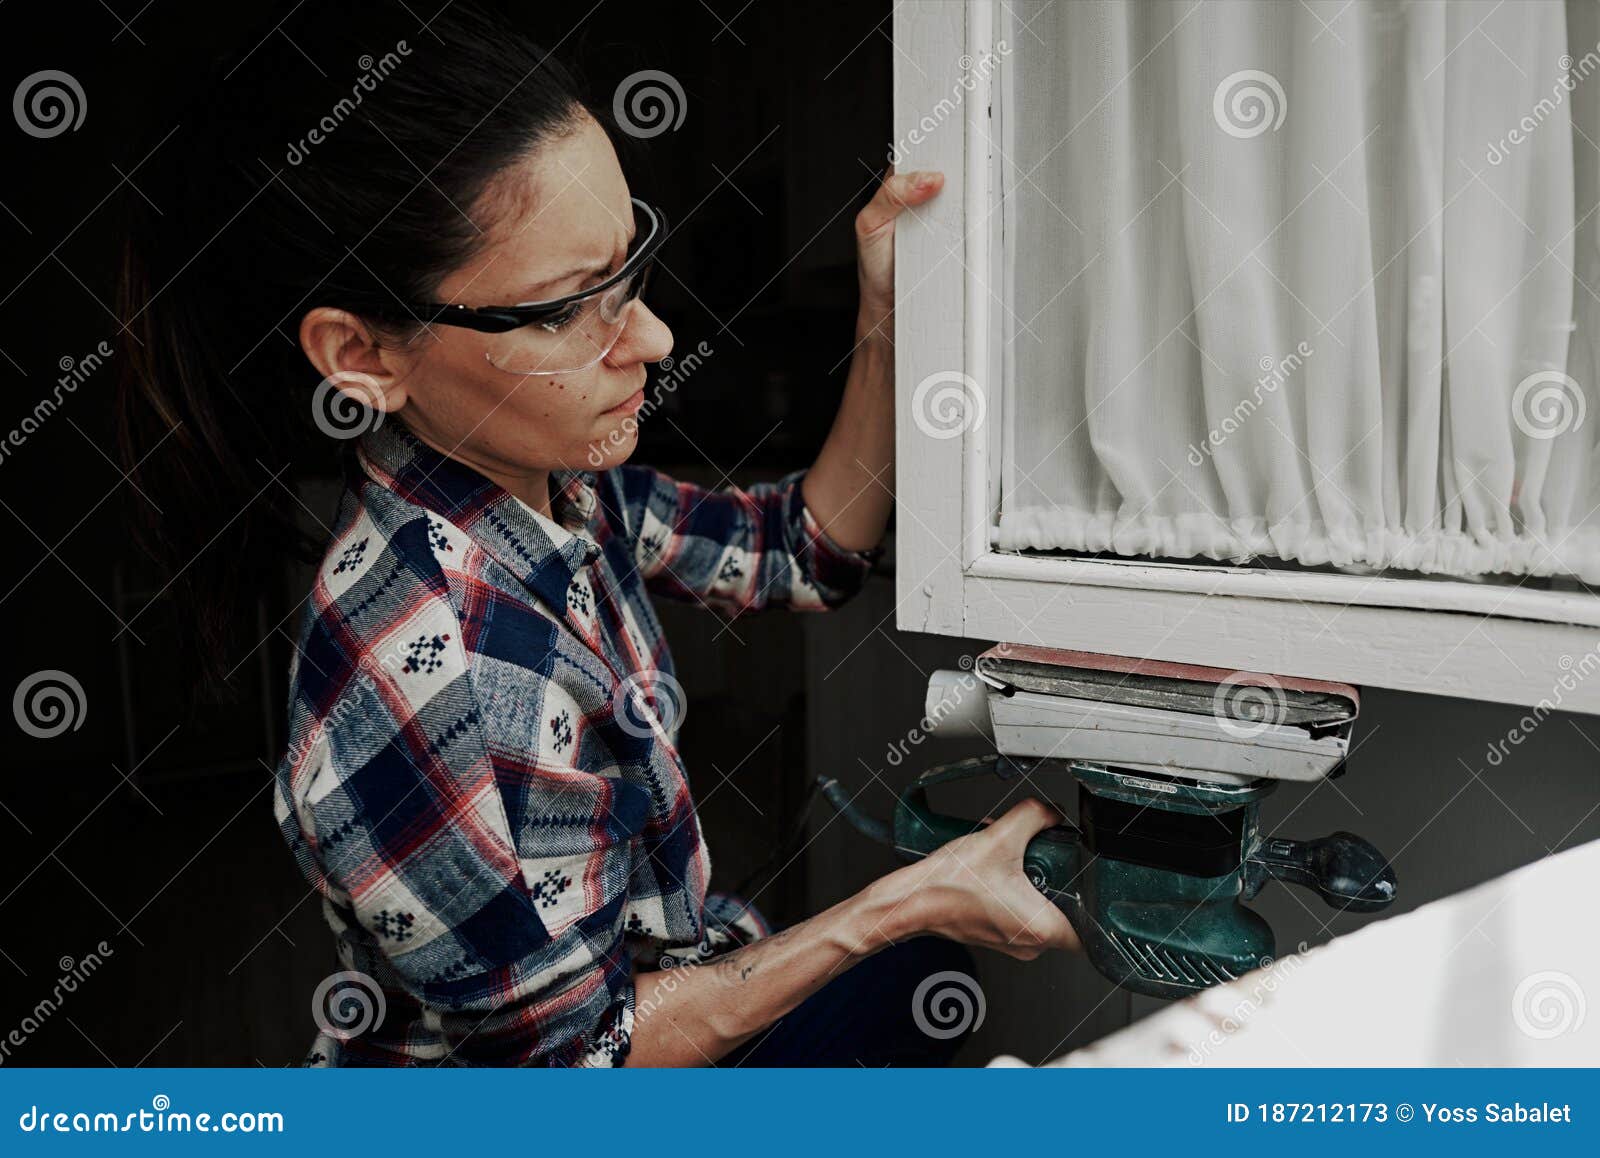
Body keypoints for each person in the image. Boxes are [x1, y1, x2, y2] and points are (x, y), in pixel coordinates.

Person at [117, 4, 1079, 1067]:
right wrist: (901, 903)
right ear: (363, 355)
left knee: (918, 984)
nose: (656, 338)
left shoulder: (554, 483)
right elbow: (584, 1062)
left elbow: (799, 549)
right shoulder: (426, 682)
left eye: (631, 266)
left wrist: (887, 321)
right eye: (566, 309)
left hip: (673, 989)